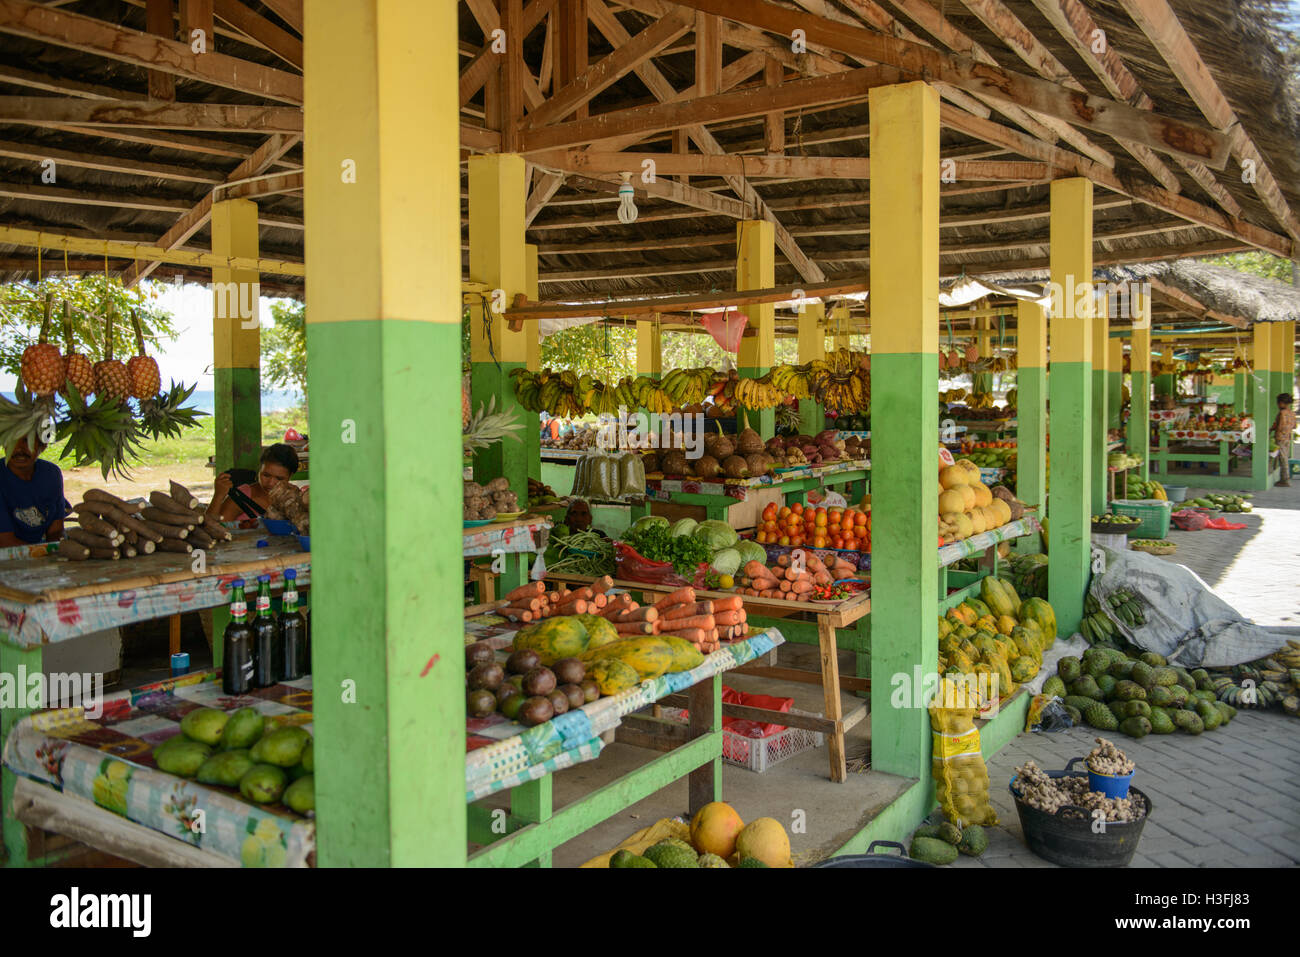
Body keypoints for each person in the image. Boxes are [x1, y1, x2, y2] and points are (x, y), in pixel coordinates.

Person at [0, 435, 69, 546]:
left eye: (28, 441)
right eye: (12, 441)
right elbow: (5, 541)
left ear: (43, 445)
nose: (19, 449)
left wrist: (55, 550)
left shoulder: (51, 473)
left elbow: (56, 530)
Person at [207, 443, 302, 521]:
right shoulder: (241, 497)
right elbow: (212, 528)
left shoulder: (295, 498)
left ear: (290, 476)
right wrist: (218, 496)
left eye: (279, 478)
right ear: (259, 469)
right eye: (266, 475)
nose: (271, 483)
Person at [1273, 393, 1296, 487]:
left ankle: (1284, 480)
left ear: (1282, 403)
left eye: (1278, 403)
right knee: (1284, 457)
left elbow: (1281, 426)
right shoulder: (1291, 413)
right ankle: (1284, 478)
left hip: (1280, 438)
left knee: (1283, 459)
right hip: (1287, 437)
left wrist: (1275, 431)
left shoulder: (1282, 413)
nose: (1278, 405)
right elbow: (1294, 425)